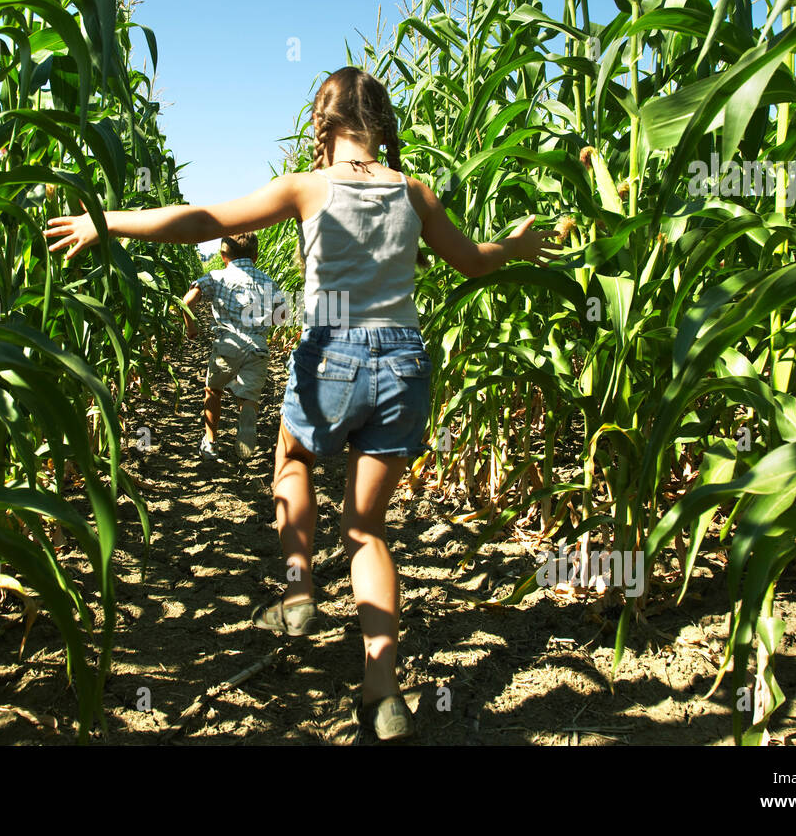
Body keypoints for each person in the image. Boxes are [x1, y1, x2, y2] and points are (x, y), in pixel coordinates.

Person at [44, 66, 559, 741]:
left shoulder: (308, 187)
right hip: (404, 364)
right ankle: (383, 691)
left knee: (291, 461)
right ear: (381, 120)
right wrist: (518, 244)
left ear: (323, 122)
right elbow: (477, 261)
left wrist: (107, 221)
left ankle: (297, 593)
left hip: (334, 355)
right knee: (367, 528)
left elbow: (204, 219)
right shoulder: (415, 193)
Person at [181, 232, 287, 460]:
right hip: (258, 347)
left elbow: (187, 301)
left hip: (227, 345)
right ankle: (247, 422)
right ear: (256, 256)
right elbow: (282, 316)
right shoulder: (268, 281)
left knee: (213, 390)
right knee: (248, 397)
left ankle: (210, 442)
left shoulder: (216, 276)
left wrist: (191, 327)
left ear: (223, 255)